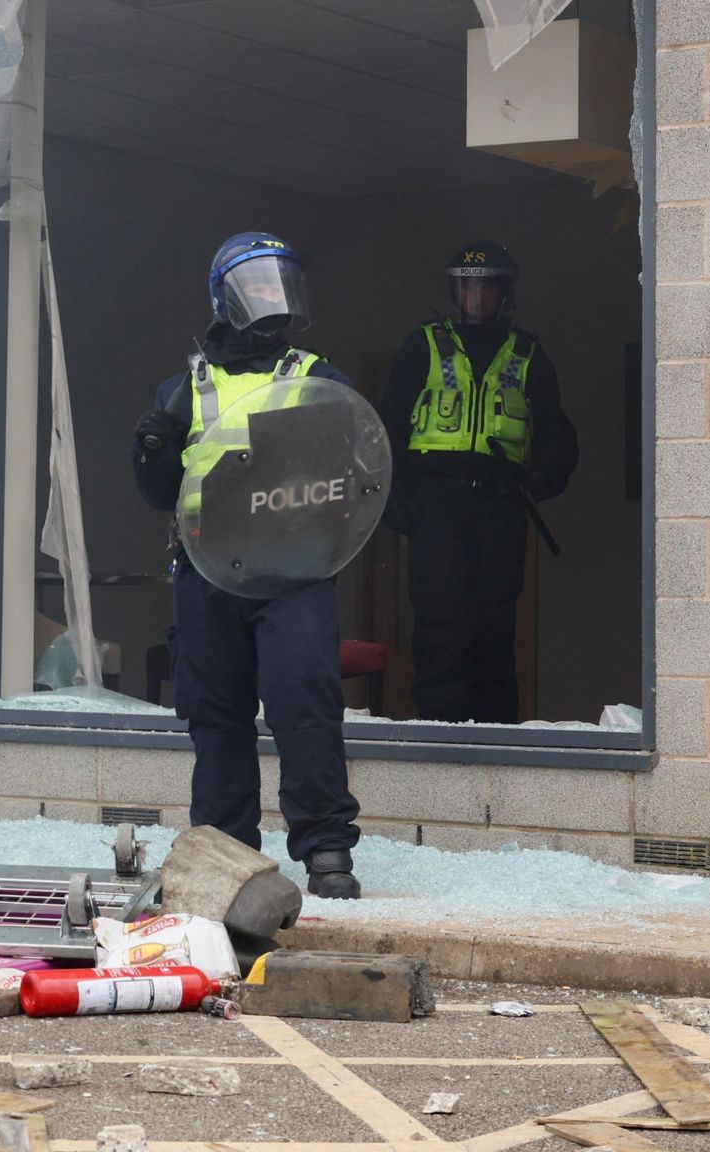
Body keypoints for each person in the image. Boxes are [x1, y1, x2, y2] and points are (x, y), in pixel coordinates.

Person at [132, 232, 364, 899]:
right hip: (208, 571)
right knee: (216, 717)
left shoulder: (318, 377)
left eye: (280, 281)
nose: (272, 295)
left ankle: (325, 847)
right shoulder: (183, 388)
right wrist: (151, 451)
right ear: (225, 297)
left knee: (304, 703)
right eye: (257, 283)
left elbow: (353, 472)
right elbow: (159, 495)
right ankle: (225, 854)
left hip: (293, 571)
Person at [379, 242, 578, 725]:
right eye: (468, 286)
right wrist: (391, 496)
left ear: (505, 292)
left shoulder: (528, 354)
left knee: (495, 629)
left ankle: (497, 739)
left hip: (499, 505)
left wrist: (542, 476)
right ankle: (441, 738)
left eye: (488, 286)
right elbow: (385, 428)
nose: (478, 296)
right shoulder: (422, 346)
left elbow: (556, 432)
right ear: (454, 290)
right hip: (435, 507)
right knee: (440, 626)